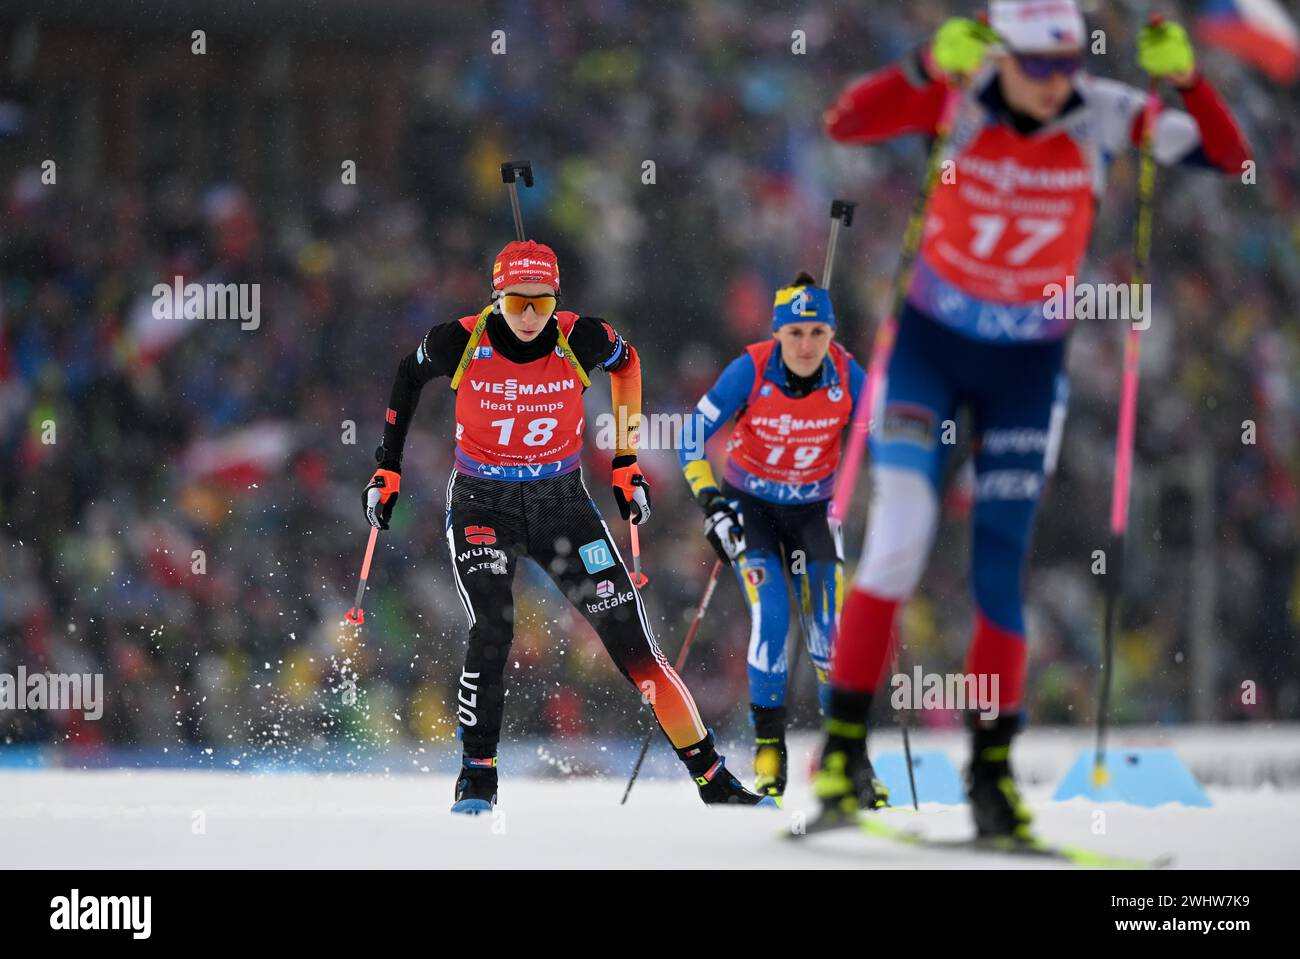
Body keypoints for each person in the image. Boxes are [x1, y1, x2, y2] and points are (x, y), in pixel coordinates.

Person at [814, 2, 1251, 837]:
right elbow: (848, 122)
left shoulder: (1107, 110)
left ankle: (990, 782)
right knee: (899, 539)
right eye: (1036, 66)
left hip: (1025, 370)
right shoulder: (962, 91)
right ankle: (840, 757)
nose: (1055, 85)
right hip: (930, 356)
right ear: (1001, 53)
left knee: (998, 569)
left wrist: (1191, 80)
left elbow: (1231, 157)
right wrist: (919, 67)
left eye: (1066, 65)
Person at [364, 238, 773, 812]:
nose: (530, 316)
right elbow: (408, 376)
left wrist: (626, 459)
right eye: (516, 303)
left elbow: (628, 365)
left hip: (561, 504)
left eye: (541, 302)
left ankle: (714, 780)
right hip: (485, 503)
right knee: (494, 627)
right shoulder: (460, 339)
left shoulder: (582, 336)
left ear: (556, 298)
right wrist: (388, 467)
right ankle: (477, 775)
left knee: (633, 644)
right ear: (496, 297)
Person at [680, 272, 864, 803]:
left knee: (829, 634)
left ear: (832, 335)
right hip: (751, 509)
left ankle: (846, 762)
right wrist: (711, 504)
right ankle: (769, 758)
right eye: (794, 334)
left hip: (813, 512)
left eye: (817, 333)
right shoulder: (752, 369)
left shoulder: (848, 375)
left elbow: (895, 422)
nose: (806, 346)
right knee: (773, 618)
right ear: (777, 335)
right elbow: (691, 436)